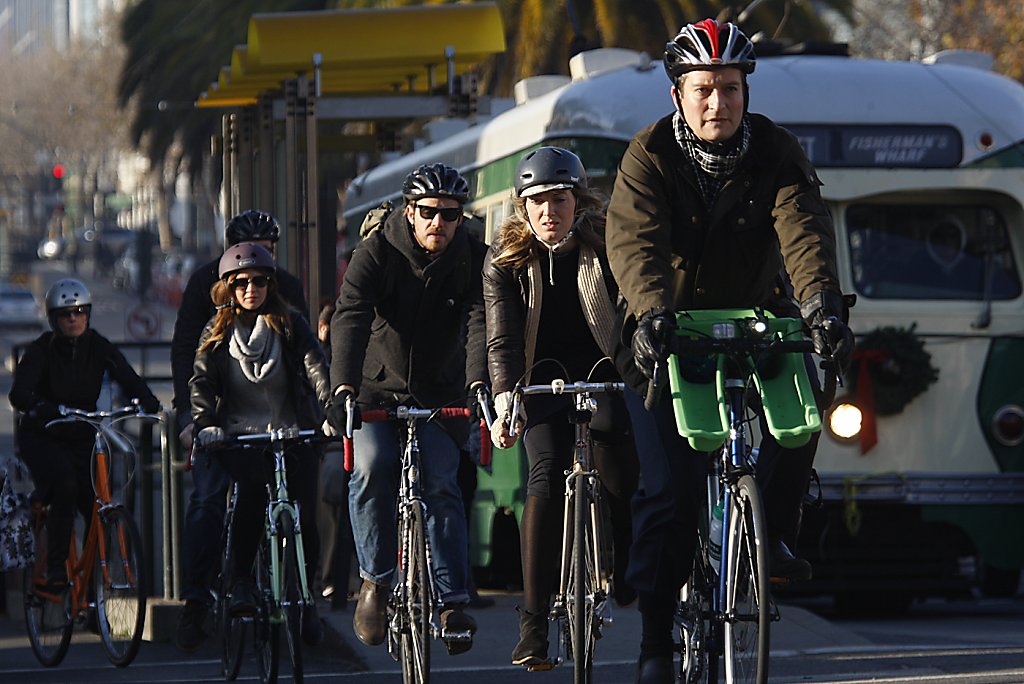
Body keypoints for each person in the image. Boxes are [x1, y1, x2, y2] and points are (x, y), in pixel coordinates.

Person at [604, 19, 854, 682]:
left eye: (732, 89)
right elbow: (634, 245)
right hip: (665, 330)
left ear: (747, 91)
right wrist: (652, 315)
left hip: (753, 318)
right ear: (678, 94)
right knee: (672, 491)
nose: (719, 103)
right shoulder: (649, 153)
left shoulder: (776, 150)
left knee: (809, 396)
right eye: (705, 89)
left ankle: (769, 525)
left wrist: (821, 306)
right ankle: (656, 637)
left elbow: (803, 232)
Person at [483, 147, 639, 669]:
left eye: (560, 200)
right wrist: (506, 394)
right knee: (545, 477)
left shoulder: (604, 246)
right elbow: (501, 337)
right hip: (538, 381)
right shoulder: (504, 260)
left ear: (579, 201)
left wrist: (639, 379)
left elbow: (626, 318)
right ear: (522, 208)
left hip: (603, 372)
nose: (549, 211)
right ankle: (532, 627)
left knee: (620, 454)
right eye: (538, 202)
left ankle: (621, 562)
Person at [326, 163, 487, 655]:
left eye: (450, 214)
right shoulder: (375, 251)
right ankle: (375, 583)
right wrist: (343, 390)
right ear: (408, 212)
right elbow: (349, 317)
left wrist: (479, 384)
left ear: (462, 217)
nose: (438, 222)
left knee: (442, 481)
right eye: (428, 212)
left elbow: (483, 320)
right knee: (373, 468)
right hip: (375, 391)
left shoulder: (473, 258)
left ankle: (452, 600)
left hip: (440, 394)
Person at [172, 209, 308, 651]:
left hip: (275, 415)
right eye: (245, 265)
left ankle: (304, 599)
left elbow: (307, 358)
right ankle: (196, 603)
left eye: (267, 255)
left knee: (296, 493)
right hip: (218, 417)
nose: (254, 281)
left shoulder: (286, 288)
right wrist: (193, 419)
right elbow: (190, 358)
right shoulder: (206, 288)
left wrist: (322, 413)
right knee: (208, 499)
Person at [9, 278, 160, 592]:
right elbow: (19, 393)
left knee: (95, 504)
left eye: (79, 311)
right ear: (54, 319)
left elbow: (127, 375)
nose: (74, 318)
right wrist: (40, 407)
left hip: (83, 433)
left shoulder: (98, 345)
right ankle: (55, 570)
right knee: (65, 483)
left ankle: (94, 594)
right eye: (66, 314)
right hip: (44, 435)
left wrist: (147, 401)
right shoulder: (41, 350)